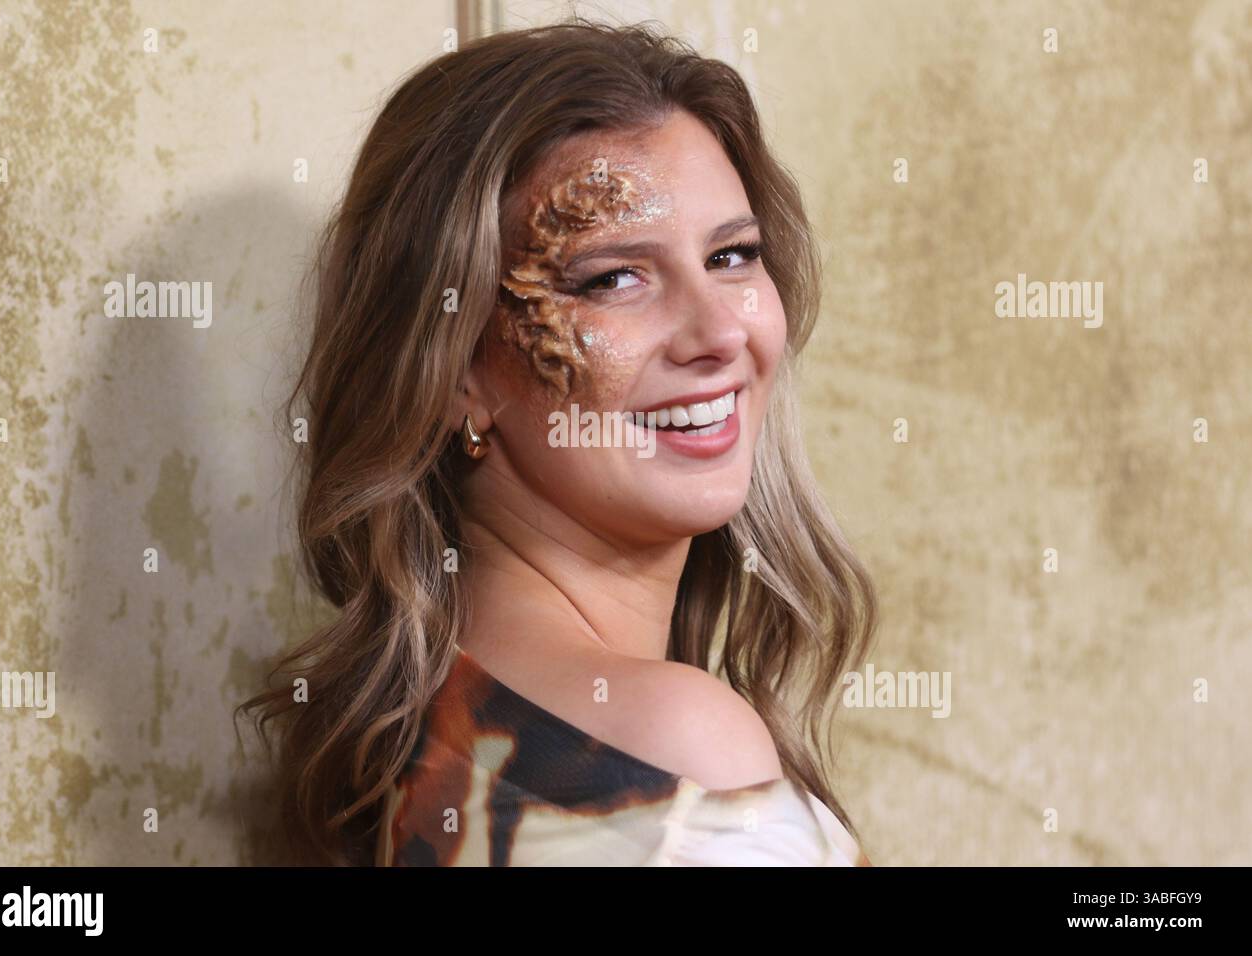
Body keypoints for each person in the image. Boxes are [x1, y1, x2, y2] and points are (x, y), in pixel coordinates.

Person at [242, 19, 878, 867]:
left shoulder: (427, 728)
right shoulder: (683, 751)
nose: (720, 331)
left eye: (732, 255)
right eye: (613, 277)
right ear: (455, 372)